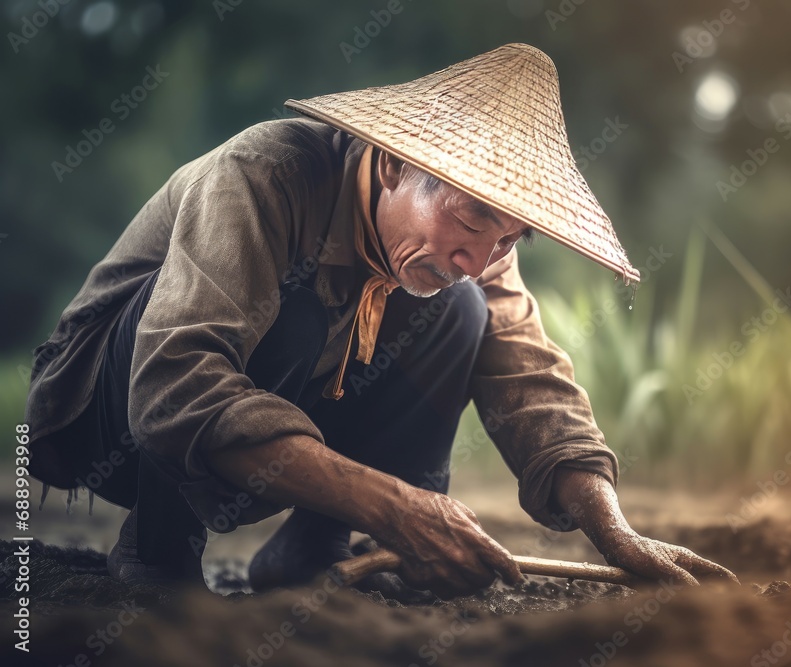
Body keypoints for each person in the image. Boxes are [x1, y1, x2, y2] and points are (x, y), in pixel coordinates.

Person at [24, 43, 737, 599]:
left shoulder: (475, 254)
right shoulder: (262, 177)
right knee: (299, 313)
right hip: (104, 417)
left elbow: (532, 378)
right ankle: (158, 544)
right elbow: (173, 382)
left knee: (462, 309)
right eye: (473, 219)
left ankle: (323, 545)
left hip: (263, 424)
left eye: (510, 237)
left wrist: (613, 530)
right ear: (394, 164)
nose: (481, 254)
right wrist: (397, 507)